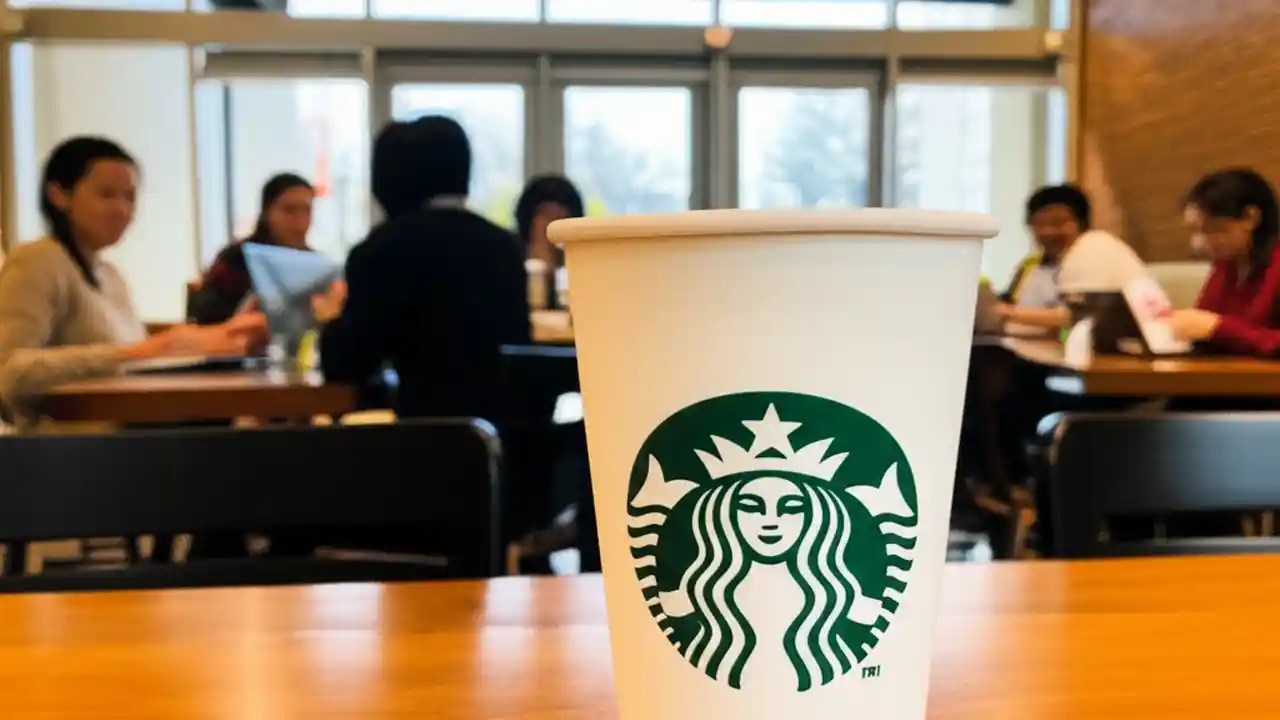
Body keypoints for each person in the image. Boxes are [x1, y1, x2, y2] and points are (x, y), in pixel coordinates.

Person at [0, 136, 265, 425]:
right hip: (71, 449)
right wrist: (141, 351)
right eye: (107, 195)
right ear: (59, 195)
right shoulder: (38, 261)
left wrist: (217, 338)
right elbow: (10, 373)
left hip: (124, 433)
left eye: (130, 196)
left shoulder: (109, 274)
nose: (122, 209)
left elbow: (134, 361)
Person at [316, 116, 530, 420]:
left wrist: (331, 321)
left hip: (423, 443)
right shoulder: (503, 246)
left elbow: (349, 363)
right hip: (505, 441)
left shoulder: (384, 249)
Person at [997, 184, 1146, 330]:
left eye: (1059, 223)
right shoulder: (1029, 264)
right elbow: (1008, 303)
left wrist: (1006, 313)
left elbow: (1079, 316)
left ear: (1083, 224)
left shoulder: (1094, 251)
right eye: (1039, 224)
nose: (1048, 232)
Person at [1169, 169, 1280, 355]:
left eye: (1212, 229)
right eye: (1195, 231)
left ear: (1250, 218)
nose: (1198, 244)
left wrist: (1218, 329)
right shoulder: (1226, 265)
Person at [188, 173, 315, 325]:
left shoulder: (314, 264)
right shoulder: (237, 259)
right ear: (267, 212)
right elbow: (207, 318)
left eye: (306, 211)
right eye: (289, 211)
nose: (300, 222)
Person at [515, 174, 584, 269]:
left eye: (561, 217)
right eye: (546, 215)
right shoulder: (507, 262)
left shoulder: (581, 266)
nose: (552, 223)